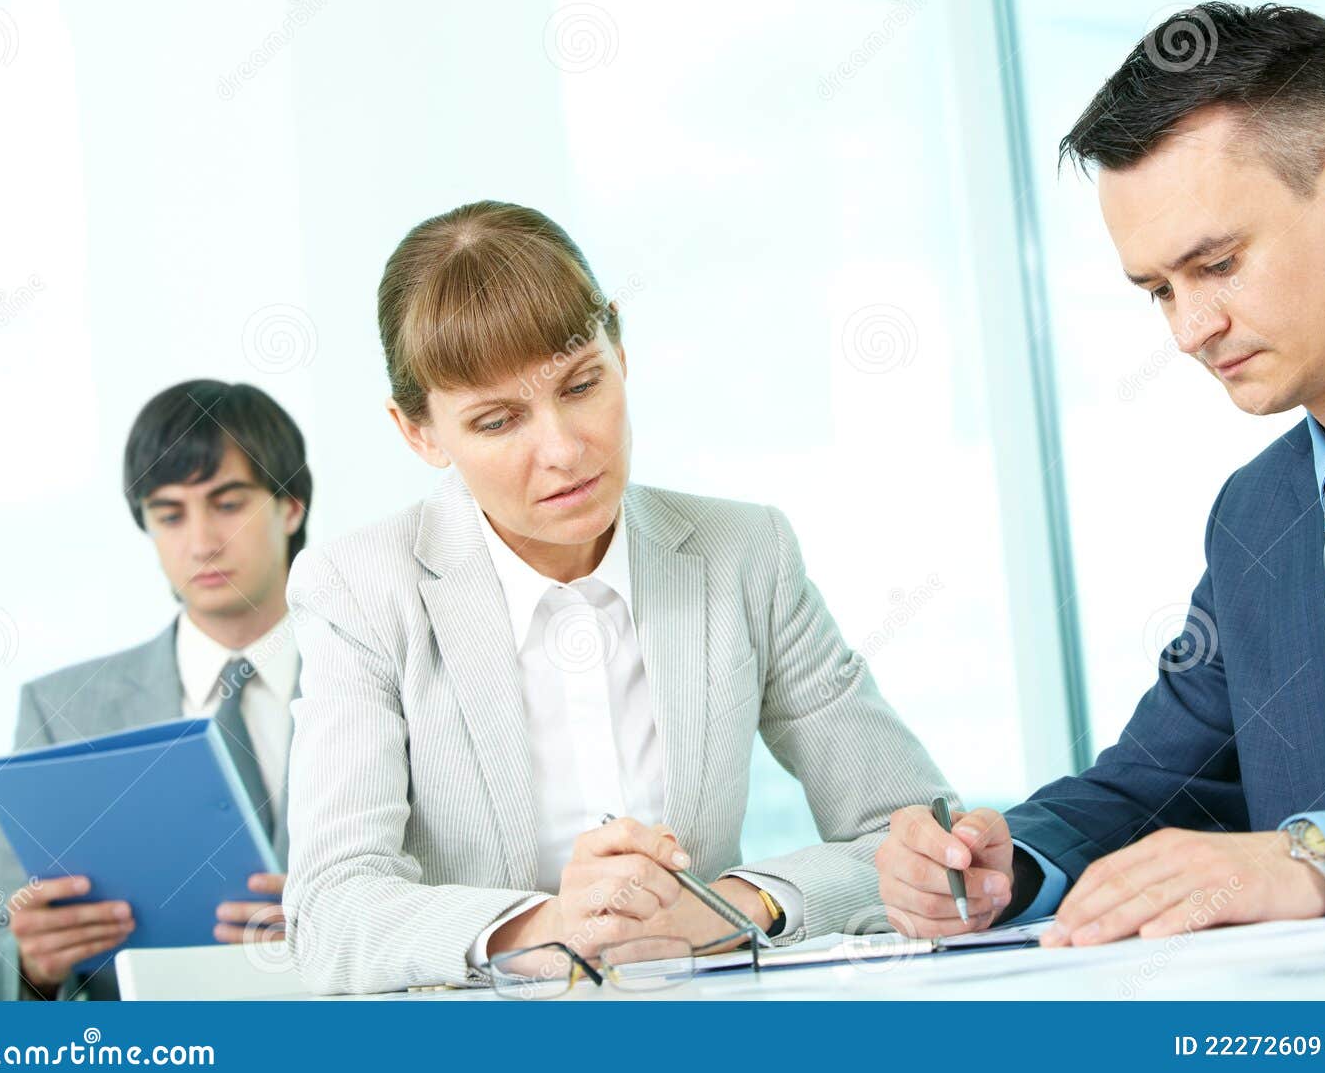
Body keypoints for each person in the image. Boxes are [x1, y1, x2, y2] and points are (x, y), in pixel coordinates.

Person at [875, 2, 1325, 946]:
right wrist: (1006, 860)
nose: (1190, 331)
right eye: (1159, 292)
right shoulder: (1258, 516)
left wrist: (1313, 855)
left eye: (1218, 264)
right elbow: (1164, 777)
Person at [282, 200, 951, 994]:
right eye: (497, 422)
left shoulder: (744, 554)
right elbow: (331, 913)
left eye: (581, 384)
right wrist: (549, 929)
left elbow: (918, 839)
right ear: (420, 433)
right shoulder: (360, 591)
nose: (563, 450)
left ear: (620, 351)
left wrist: (724, 909)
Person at [0, 380, 312, 999]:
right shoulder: (62, 710)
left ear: (291, 506)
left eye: (229, 503)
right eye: (169, 514)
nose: (201, 540)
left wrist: (340, 929)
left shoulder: (384, 677)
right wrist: (35, 962)